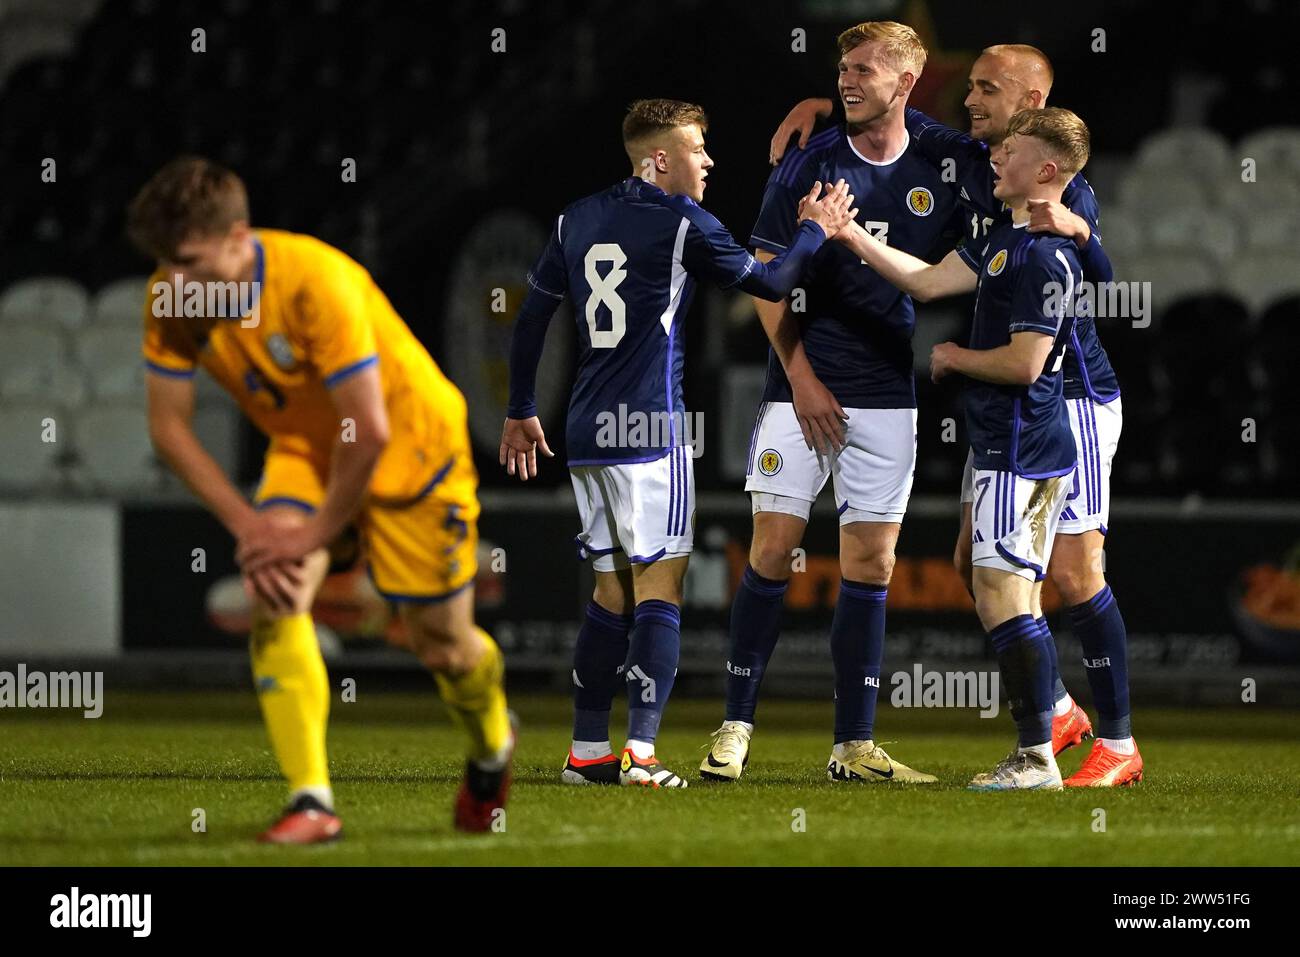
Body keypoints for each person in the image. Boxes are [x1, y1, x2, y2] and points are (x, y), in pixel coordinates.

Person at [772, 44, 1140, 786]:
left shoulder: (1054, 200)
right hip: (1003, 407)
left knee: (1071, 571)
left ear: (1034, 102)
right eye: (968, 86)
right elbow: (930, 262)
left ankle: (1115, 742)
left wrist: (1080, 240)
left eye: (986, 89)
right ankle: (1054, 711)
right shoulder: (981, 164)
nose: (968, 101)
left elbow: (1093, 269)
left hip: (1066, 399)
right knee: (976, 567)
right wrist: (824, 110)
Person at [131, 157, 514, 840]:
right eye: (166, 263)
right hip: (308, 450)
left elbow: (367, 432)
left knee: (443, 645)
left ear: (238, 235)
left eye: (188, 261)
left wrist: (309, 538)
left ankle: (493, 746)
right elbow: (167, 428)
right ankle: (312, 801)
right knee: (273, 590)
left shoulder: (316, 280)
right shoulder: (173, 296)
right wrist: (251, 524)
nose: (176, 281)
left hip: (411, 448)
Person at [500, 99, 855, 788]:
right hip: (651, 428)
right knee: (660, 588)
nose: (709, 160)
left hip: (584, 431)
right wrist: (813, 231)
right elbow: (773, 282)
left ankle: (585, 751)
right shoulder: (682, 221)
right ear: (658, 159)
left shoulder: (577, 216)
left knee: (609, 592)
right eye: (697, 148)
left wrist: (520, 408)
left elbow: (532, 316)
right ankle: (642, 753)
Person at [834, 108, 1092, 789]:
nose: (996, 158)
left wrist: (955, 354)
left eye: (1014, 151)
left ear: (1046, 172)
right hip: (1002, 443)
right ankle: (1046, 725)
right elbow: (922, 281)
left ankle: (1039, 752)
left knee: (1006, 591)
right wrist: (849, 232)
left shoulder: (1042, 254)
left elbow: (1027, 364)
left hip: (1021, 443)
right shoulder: (1004, 239)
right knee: (989, 582)